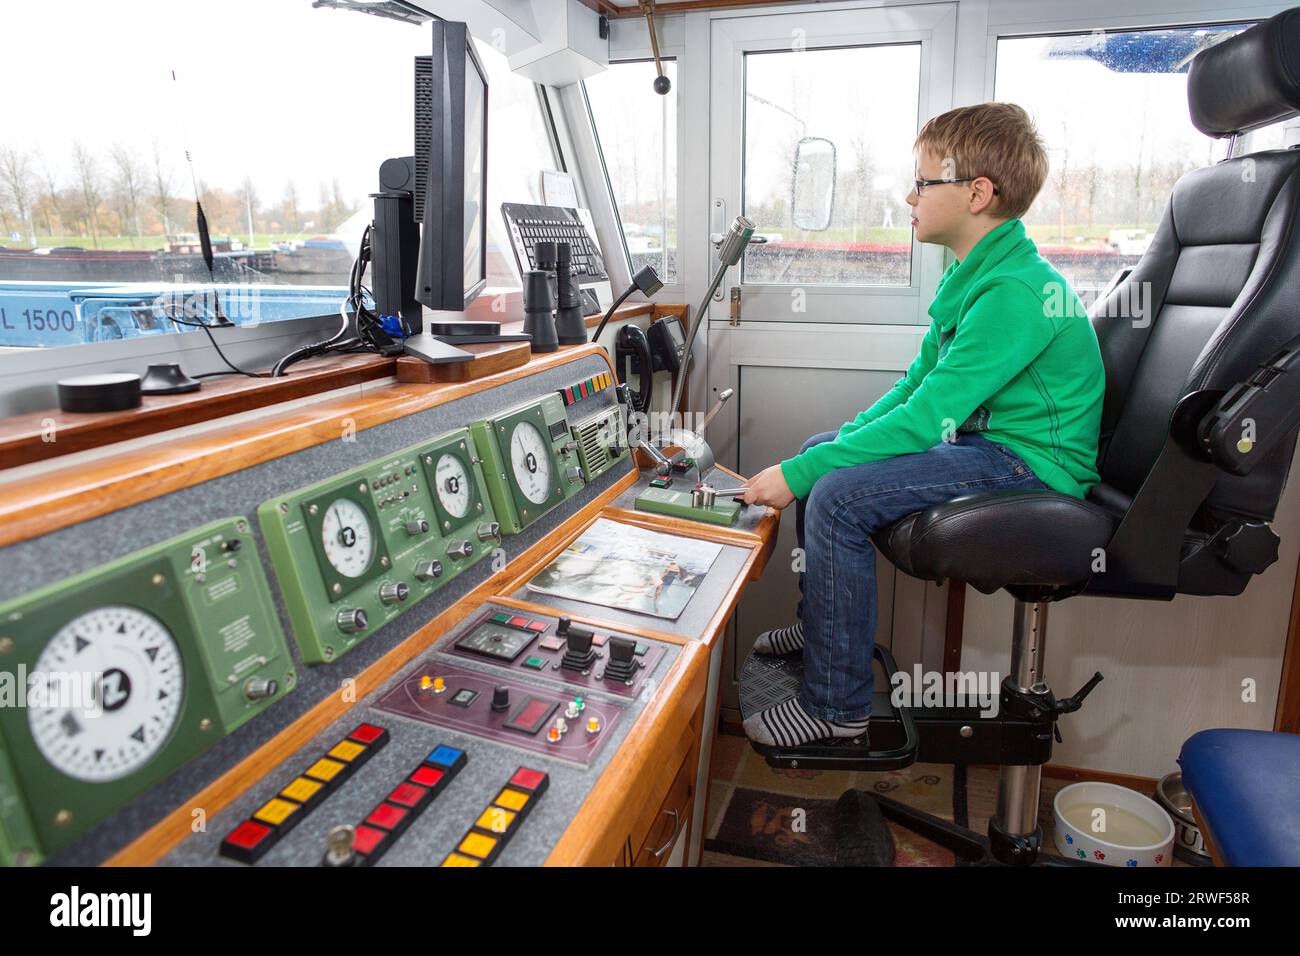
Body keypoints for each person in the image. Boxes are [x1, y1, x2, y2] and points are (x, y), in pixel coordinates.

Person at [738, 102, 1104, 749]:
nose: (909, 196)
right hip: (991, 446)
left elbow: (927, 419)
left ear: (977, 193)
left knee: (835, 493)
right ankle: (822, 622)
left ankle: (835, 706)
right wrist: (824, 452)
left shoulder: (1015, 292)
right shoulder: (977, 276)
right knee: (821, 451)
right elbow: (916, 392)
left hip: (1032, 466)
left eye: (923, 182)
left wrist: (801, 477)